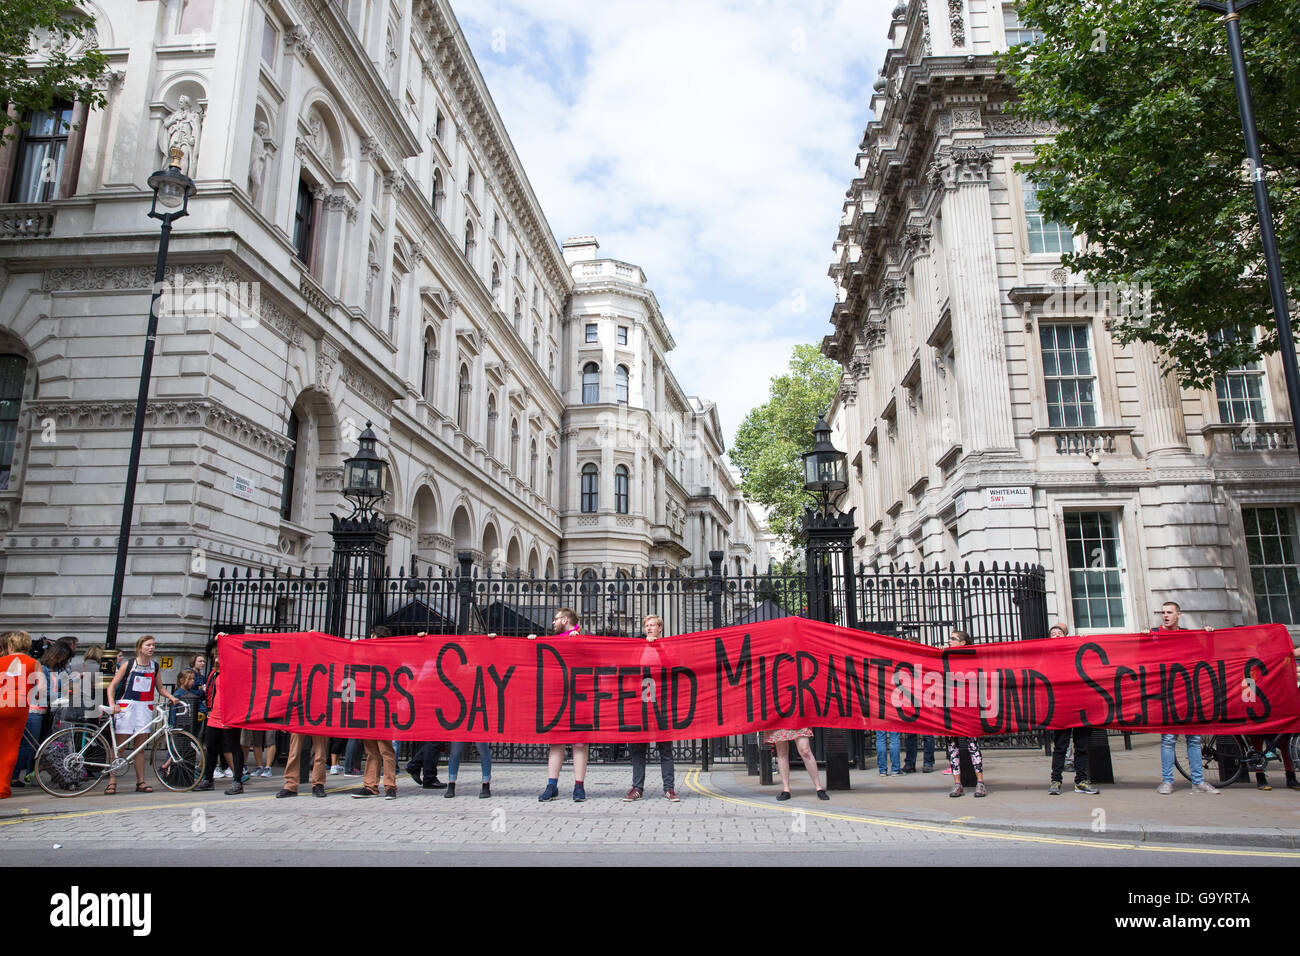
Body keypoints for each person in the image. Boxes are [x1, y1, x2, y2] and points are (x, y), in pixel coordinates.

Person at [1151, 602, 1218, 794]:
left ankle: (1198, 781)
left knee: (1194, 739)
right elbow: (1143, 657)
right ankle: (1167, 781)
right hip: (1167, 694)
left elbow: (1206, 656)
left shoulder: (1187, 635)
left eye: (1169, 612)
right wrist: (1144, 637)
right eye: (1163, 612)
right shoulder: (1154, 634)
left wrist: (1209, 637)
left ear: (1178, 615)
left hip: (1188, 692)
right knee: (1169, 739)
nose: (1165, 615)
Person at [104, 635, 180, 794]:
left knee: (140, 748)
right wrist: (112, 704)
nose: (151, 648)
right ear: (140, 648)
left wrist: (172, 697)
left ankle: (141, 782)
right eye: (148, 645)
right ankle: (112, 780)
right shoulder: (129, 664)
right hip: (127, 707)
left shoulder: (155, 666)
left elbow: (160, 688)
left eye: (153, 645)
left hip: (145, 708)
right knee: (120, 746)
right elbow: (112, 685)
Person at [533, 608, 590, 802]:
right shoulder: (553, 641)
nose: (553, 623)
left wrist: (578, 641)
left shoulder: (582, 639)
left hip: (579, 697)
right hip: (557, 697)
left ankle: (579, 786)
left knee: (579, 742)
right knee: (556, 742)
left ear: (565, 620)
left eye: (556, 619)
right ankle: (551, 785)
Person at [624, 614, 679, 802]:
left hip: (661, 702)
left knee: (665, 747)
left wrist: (656, 645)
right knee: (638, 747)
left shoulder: (665, 647)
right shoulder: (637, 647)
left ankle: (669, 788)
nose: (648, 628)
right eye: (646, 625)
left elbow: (671, 668)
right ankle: (637, 787)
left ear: (660, 628)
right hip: (640, 702)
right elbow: (629, 669)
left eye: (652, 625)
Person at [351, 625, 397, 800]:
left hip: (379, 707)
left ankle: (384, 785)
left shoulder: (382, 657)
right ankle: (375, 786)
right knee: (374, 749)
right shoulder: (372, 655)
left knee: (382, 749)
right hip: (372, 707)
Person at [194, 637, 245, 795]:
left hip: (230, 714)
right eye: (215, 655)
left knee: (233, 747)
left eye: (219, 655)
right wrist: (215, 639)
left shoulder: (235, 670)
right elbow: (207, 647)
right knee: (211, 747)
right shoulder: (214, 673)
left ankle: (237, 781)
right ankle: (208, 779)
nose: (216, 658)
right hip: (214, 714)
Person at [944, 630, 988, 798]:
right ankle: (957, 783)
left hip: (968, 706)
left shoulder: (970, 658)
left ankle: (980, 783)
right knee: (952, 746)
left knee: (973, 745)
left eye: (953, 639)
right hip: (950, 707)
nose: (949, 641)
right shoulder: (944, 656)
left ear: (963, 643)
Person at [1, 631, 43, 798]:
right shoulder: (33, 663)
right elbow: (41, 689)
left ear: (10, 645)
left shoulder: (1, 661)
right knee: (10, 747)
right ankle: (2, 788)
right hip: (17, 707)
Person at [765, 727, 828, 801]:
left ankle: (819, 788)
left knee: (805, 750)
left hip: (796, 718)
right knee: (782, 752)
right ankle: (786, 789)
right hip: (780, 718)